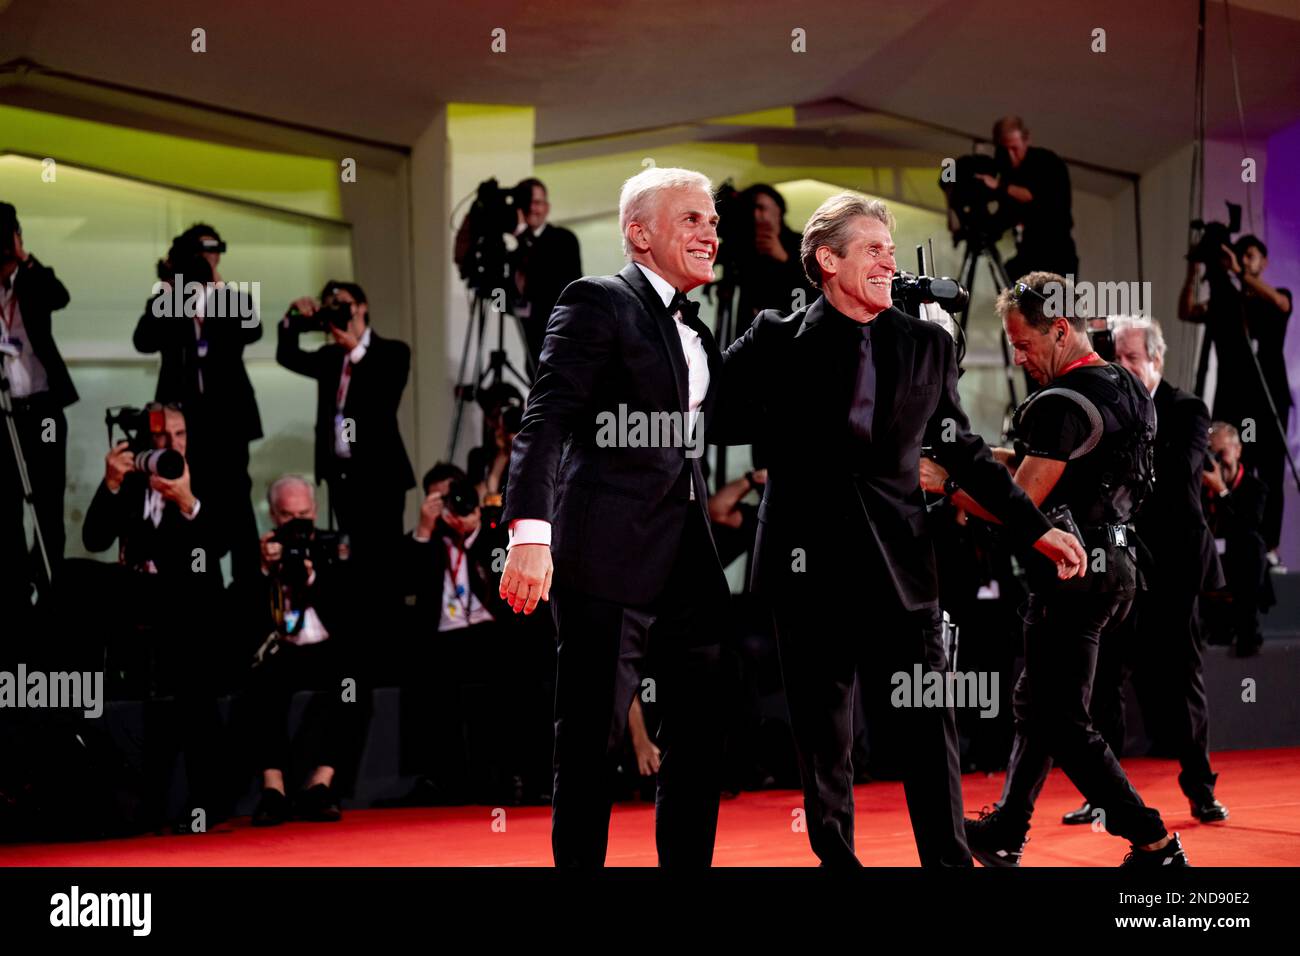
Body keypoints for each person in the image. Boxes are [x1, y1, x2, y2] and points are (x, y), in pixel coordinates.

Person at [719, 195, 1085, 867]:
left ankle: (947, 861)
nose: (890, 261)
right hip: (807, 568)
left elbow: (964, 451)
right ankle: (839, 862)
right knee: (825, 737)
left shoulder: (926, 342)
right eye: (873, 250)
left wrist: (1033, 527)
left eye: (891, 248)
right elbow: (708, 409)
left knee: (927, 727)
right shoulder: (777, 337)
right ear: (827, 262)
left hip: (901, 566)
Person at [499, 166, 732, 868]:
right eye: (691, 218)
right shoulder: (598, 301)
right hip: (605, 552)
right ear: (639, 234)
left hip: (688, 552)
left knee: (699, 735)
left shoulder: (699, 328)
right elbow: (545, 421)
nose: (709, 231)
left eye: (712, 220)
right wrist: (530, 532)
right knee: (592, 740)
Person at [924, 272, 1188, 867]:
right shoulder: (1126, 387)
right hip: (1117, 568)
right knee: (1038, 704)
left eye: (1023, 342)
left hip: (1072, 573)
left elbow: (1019, 505)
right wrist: (972, 462)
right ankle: (1009, 827)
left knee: (1063, 719)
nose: (1018, 355)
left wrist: (944, 484)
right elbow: (1044, 466)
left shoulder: (1057, 404)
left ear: (1061, 329)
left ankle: (1153, 841)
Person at [1059, 319, 1228, 825]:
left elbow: (1178, 479)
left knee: (1182, 678)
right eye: (1118, 357)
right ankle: (1103, 794)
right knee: (1106, 678)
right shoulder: (1114, 409)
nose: (1123, 366)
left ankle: (1200, 788)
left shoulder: (1186, 408)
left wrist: (1134, 434)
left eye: (1132, 358)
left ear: (1156, 359)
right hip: (1124, 564)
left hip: (1175, 565)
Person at [81, 402, 229, 830]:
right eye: (163, 436)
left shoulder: (206, 474)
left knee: (191, 674)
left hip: (191, 602)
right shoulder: (130, 482)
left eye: (181, 435)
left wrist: (188, 503)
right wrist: (110, 483)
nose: (172, 445)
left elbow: (218, 545)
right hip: (139, 597)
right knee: (75, 579)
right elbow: (94, 538)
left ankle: (204, 807)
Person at [134, 224, 263, 583]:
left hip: (229, 420)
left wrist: (217, 289)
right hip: (183, 424)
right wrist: (171, 291)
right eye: (199, 256)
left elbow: (254, 329)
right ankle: (198, 584)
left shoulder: (231, 298)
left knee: (237, 500)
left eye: (211, 254)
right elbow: (143, 341)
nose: (206, 262)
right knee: (188, 498)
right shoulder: (170, 299)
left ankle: (247, 590)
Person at [246, 476, 370, 826]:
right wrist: (264, 570)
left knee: (354, 682)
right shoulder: (261, 550)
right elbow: (242, 617)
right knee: (260, 682)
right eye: (288, 515)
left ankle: (321, 784)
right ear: (273, 514)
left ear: (315, 511)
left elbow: (352, 616)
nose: (298, 522)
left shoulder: (335, 548)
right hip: (281, 651)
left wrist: (314, 579)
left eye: (304, 513)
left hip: (328, 650)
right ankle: (274, 790)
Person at [275, 280, 416, 573]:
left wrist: (355, 351)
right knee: (352, 555)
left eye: (342, 302)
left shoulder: (393, 352)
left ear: (362, 306)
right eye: (330, 304)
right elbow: (287, 356)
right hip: (342, 473)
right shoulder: (330, 357)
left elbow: (385, 398)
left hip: (381, 475)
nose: (336, 308)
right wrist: (293, 318)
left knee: (384, 556)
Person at [1179, 234, 1292, 562]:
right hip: (1240, 401)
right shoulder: (1228, 304)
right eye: (1239, 255)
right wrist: (1193, 270)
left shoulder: (1274, 299)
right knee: (1234, 463)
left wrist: (1239, 273)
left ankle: (1269, 545)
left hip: (1270, 401)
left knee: (1270, 470)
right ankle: (1231, 533)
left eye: (1251, 255)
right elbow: (1187, 311)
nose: (1244, 260)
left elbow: (1282, 304)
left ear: (1264, 261)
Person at [0, 201, 76, 608]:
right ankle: (14, 592)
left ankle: (49, 586)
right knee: (6, 507)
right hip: (4, 412)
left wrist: (24, 259)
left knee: (48, 502)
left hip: (42, 407)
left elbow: (60, 296)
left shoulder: (32, 280)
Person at [1202, 422, 1271, 657]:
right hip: (1209, 565)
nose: (1218, 461)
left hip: (1239, 566)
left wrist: (1221, 491)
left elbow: (1246, 526)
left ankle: (1247, 629)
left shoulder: (1255, 488)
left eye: (1222, 453)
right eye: (1211, 453)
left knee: (1253, 543)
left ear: (1238, 451)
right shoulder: (1198, 488)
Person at [983, 116, 1079, 278]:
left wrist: (1000, 186)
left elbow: (1032, 196)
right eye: (1005, 150)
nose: (1011, 156)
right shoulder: (1009, 173)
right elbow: (1006, 215)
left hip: (1057, 254)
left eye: (1015, 148)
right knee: (1010, 281)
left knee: (1059, 302)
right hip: (1028, 256)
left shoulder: (1047, 162)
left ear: (1026, 139)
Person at [511, 178, 583, 374]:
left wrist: (522, 236)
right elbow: (504, 297)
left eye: (538, 202)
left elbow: (560, 289)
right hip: (531, 344)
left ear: (547, 207)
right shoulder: (514, 246)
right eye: (528, 202)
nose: (533, 209)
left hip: (561, 341)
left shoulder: (563, 239)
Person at [734, 184, 816, 324]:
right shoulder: (742, 245)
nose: (756, 215)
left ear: (778, 210)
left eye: (761, 208)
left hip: (794, 323)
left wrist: (784, 258)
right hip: (752, 327)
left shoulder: (803, 243)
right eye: (752, 209)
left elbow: (815, 286)